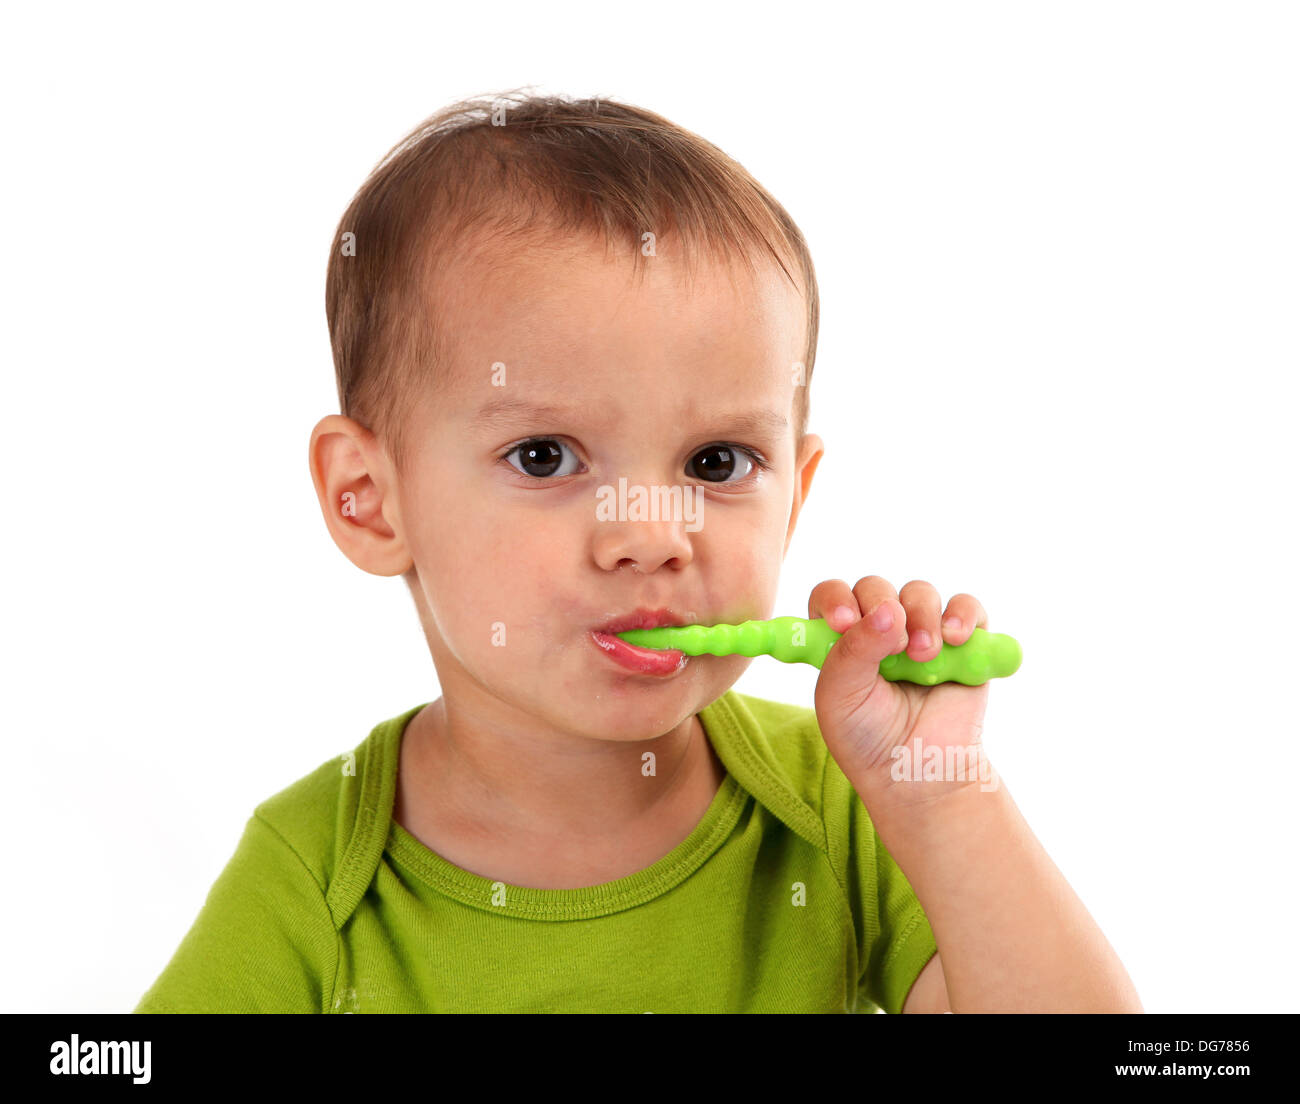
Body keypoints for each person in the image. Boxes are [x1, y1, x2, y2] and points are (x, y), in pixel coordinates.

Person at [135, 91, 1141, 1013]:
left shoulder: (833, 805)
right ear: (368, 500)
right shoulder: (316, 873)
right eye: (544, 455)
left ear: (793, 500)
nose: (653, 532)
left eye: (716, 461)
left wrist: (942, 799)